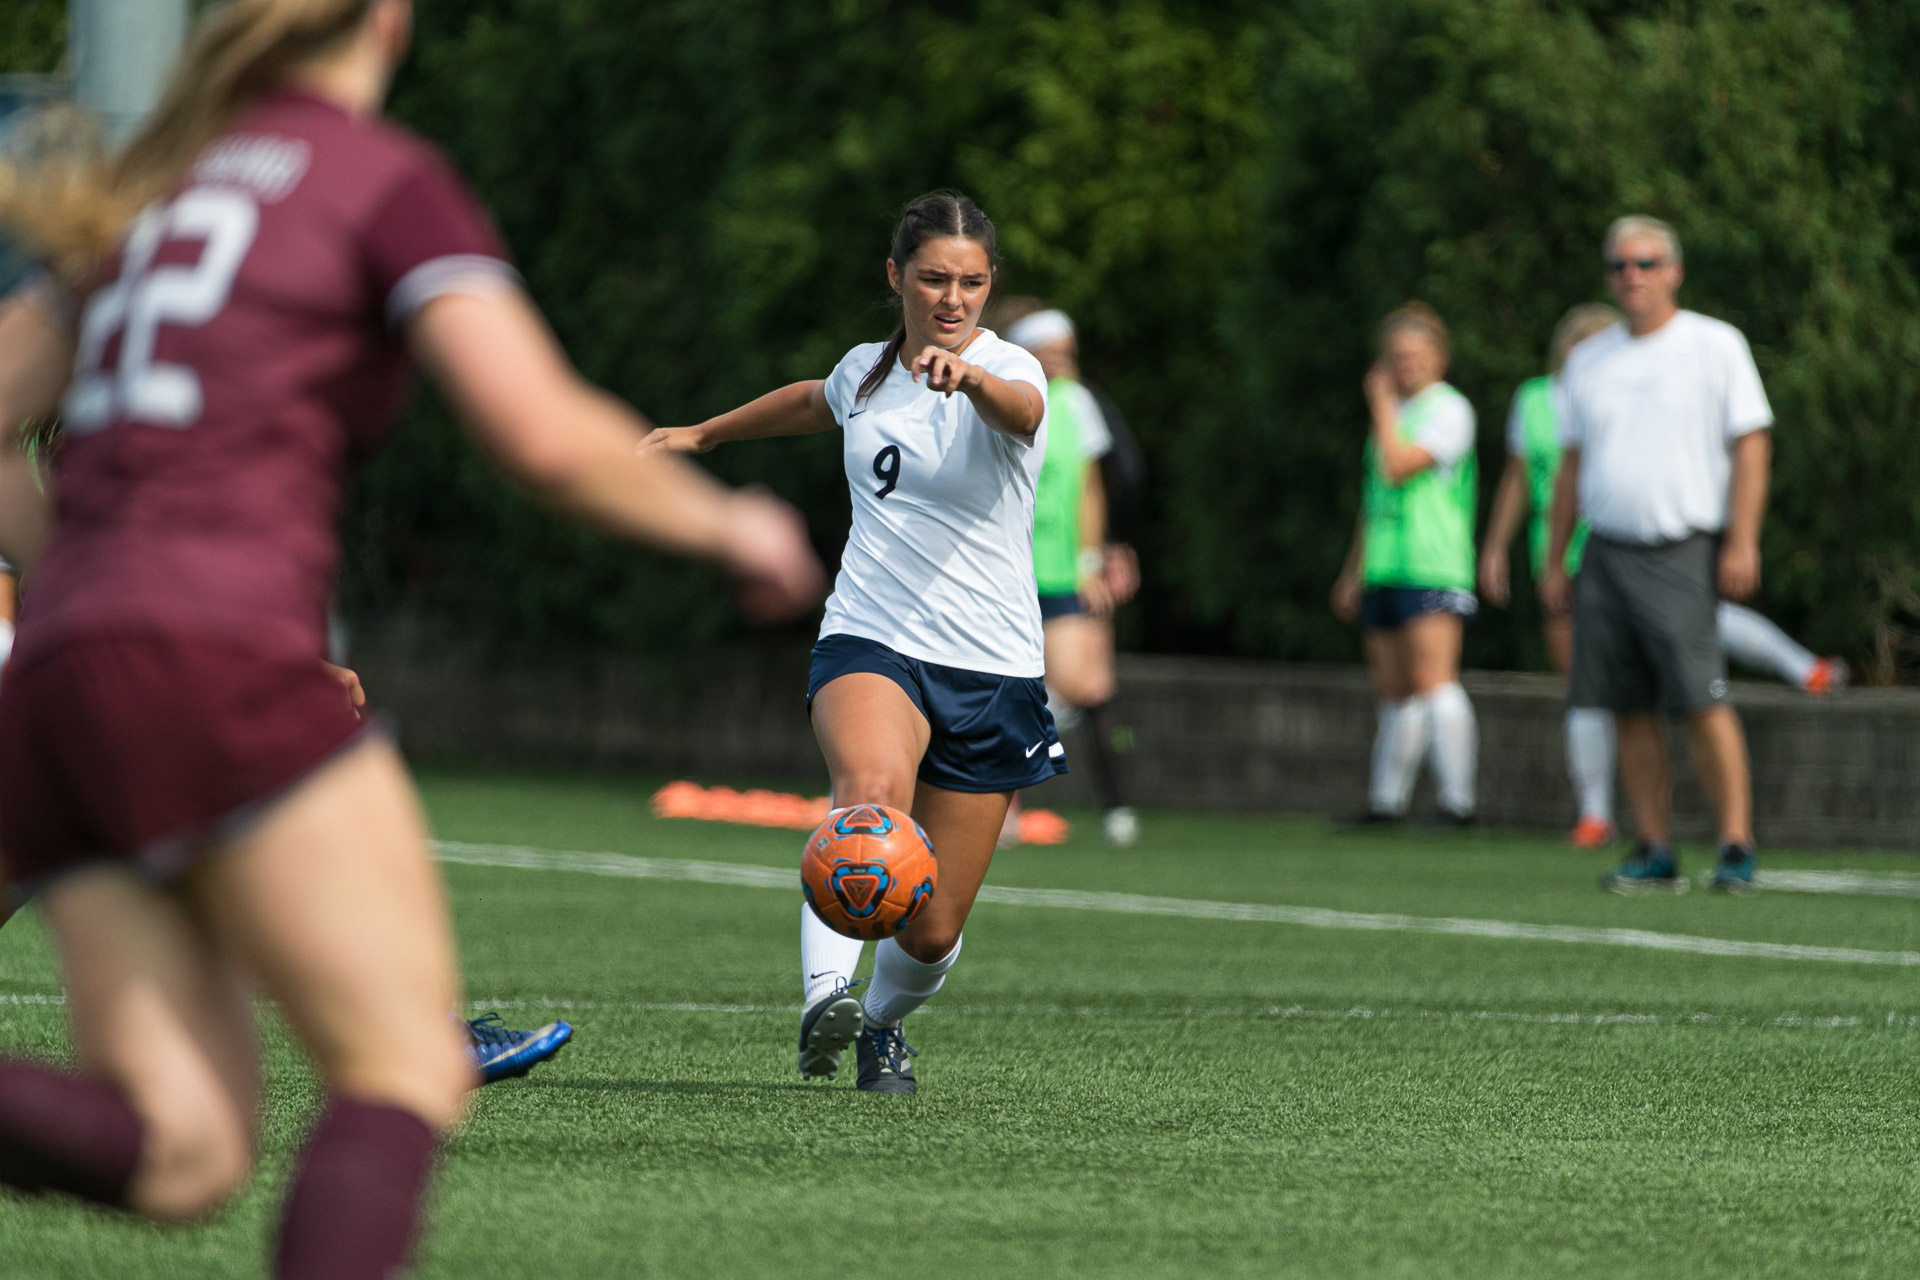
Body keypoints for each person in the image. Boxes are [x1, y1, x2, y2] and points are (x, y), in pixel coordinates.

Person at [0, 6, 822, 1280]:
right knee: (402, 1066)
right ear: (390, 17)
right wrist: (731, 524)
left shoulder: (146, 190)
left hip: (56, 683)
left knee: (179, 1152)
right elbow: (543, 434)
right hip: (215, 655)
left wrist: (77, 591)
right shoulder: (381, 179)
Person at [643, 190, 1059, 1095]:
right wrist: (706, 433)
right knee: (868, 800)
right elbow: (810, 400)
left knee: (933, 928)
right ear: (896, 278)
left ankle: (878, 1024)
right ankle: (826, 993)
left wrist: (973, 380)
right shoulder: (865, 372)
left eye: (972, 283)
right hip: (871, 637)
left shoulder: (1008, 367)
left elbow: (1023, 412)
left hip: (993, 669)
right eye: (934, 280)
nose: (953, 300)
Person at [1483, 304, 1847, 849]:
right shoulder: (1539, 398)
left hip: (1657, 548)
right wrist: (1505, 549)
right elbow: (1535, 476)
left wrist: (1736, 538)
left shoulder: (1658, 375)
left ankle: (1800, 674)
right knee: (1594, 690)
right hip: (1584, 558)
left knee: (1703, 660)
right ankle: (1599, 816)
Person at [1542, 215, 1769, 894]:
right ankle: (1655, 846)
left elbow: (1751, 446)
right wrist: (1555, 560)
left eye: (1645, 263)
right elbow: (1571, 468)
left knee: (1702, 698)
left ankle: (1734, 842)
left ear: (1673, 270)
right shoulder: (1589, 359)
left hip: (1682, 548)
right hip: (1606, 552)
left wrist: (1742, 538)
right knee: (1627, 704)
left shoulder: (1713, 345)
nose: (1631, 277)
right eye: (1619, 266)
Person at [1331, 302, 1479, 826]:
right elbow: (1373, 502)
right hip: (1386, 568)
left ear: (1439, 358)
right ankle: (1386, 804)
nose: (1405, 366)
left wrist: (1379, 405)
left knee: (1435, 681)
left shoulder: (1449, 410)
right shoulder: (1395, 415)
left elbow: (1397, 467)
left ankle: (1459, 803)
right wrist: (1353, 571)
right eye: (1396, 357)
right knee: (1393, 692)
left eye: (1415, 356)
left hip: (1433, 565)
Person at [1003, 303, 1139, 847]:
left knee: (1076, 684)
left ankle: (1111, 807)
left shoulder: (1076, 403)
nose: (1062, 359)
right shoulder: (1003, 393)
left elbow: (1090, 487)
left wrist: (1091, 559)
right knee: (1018, 686)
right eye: (1050, 349)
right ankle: (996, 805)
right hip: (1006, 568)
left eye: (1066, 349)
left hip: (1059, 571)